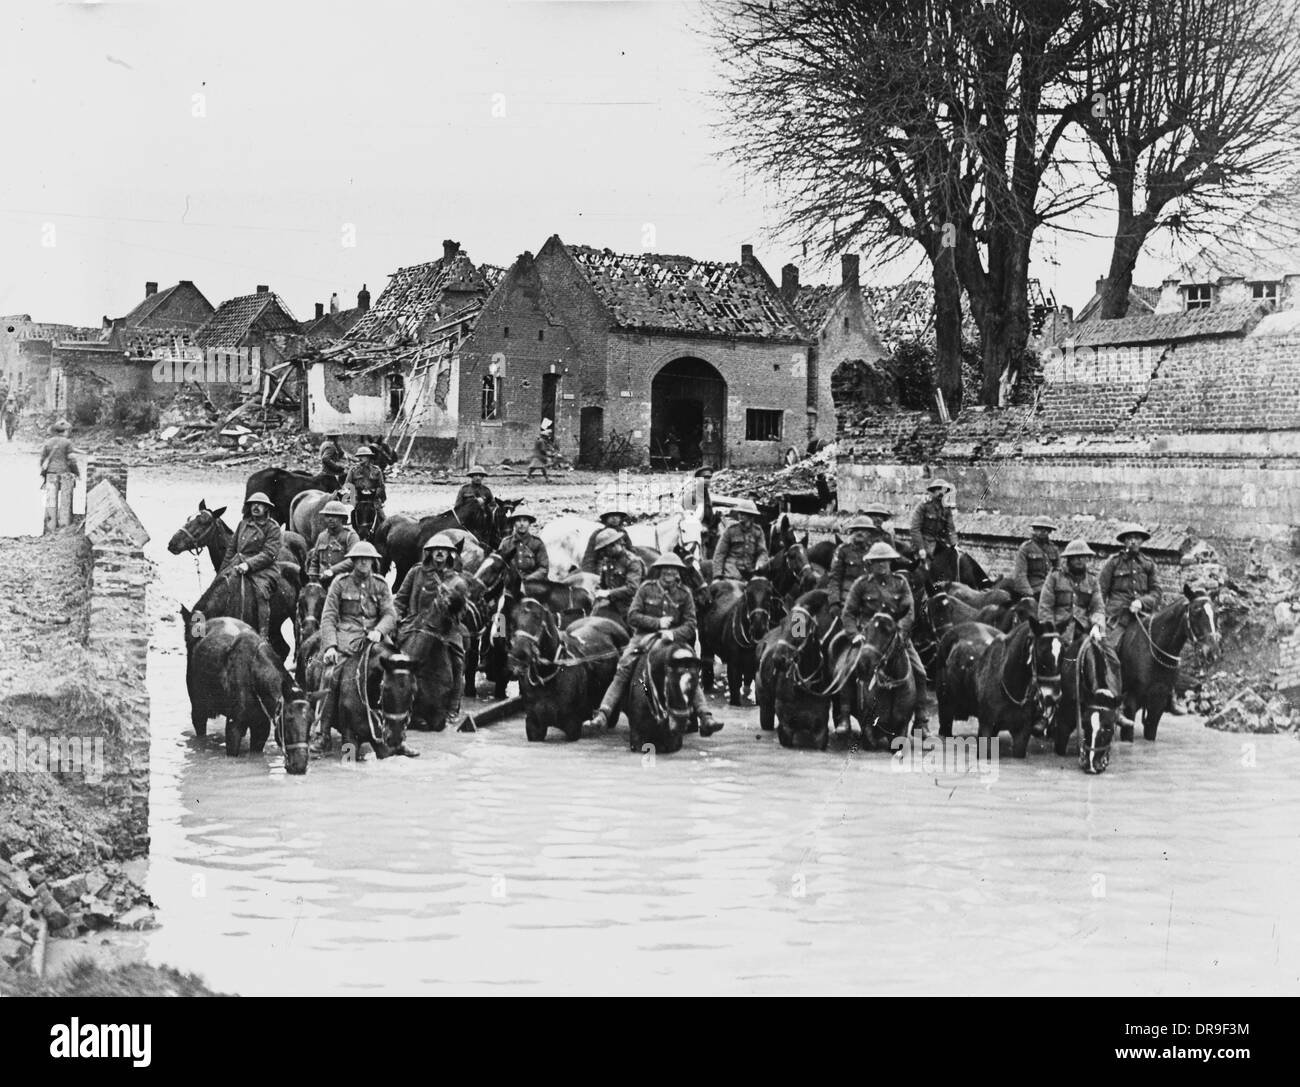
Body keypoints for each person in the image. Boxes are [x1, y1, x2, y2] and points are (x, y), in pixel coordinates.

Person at [582, 552, 722, 736]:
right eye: (665, 569)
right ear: (660, 571)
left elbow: (690, 624)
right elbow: (633, 616)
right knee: (624, 667)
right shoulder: (646, 589)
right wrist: (657, 623)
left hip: (674, 641)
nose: (669, 573)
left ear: (678, 572)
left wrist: (672, 633)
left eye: (673, 569)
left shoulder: (684, 594)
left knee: (688, 668)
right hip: (644, 637)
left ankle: (705, 716)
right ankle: (603, 714)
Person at [319, 541, 416, 756]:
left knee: (401, 676)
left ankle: (399, 738)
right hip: (348, 639)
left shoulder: (381, 584)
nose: (363, 562)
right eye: (359, 559)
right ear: (353, 561)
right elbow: (329, 616)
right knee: (331, 674)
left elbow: (390, 614)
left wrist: (380, 630)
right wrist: (330, 646)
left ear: (373, 561)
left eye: (367, 559)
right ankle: (322, 732)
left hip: (376, 640)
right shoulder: (340, 583)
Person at [841, 541, 928, 735]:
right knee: (848, 667)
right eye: (877, 562)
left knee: (920, 671)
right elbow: (848, 613)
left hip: (895, 636)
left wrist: (900, 632)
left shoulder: (900, 583)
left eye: (885, 561)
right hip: (869, 638)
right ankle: (845, 716)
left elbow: (909, 612)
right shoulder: (861, 585)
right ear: (870, 564)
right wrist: (854, 635)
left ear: (891, 562)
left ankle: (921, 719)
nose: (882, 565)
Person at [395, 533, 466, 728]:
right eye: (436, 550)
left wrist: (451, 608)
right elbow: (400, 599)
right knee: (393, 654)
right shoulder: (416, 572)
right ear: (430, 553)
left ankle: (453, 707)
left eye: (444, 550)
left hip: (446, 629)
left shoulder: (457, 580)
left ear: (450, 554)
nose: (440, 553)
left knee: (458, 661)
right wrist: (396, 617)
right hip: (415, 624)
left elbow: (462, 611)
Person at [1038, 538, 1123, 697]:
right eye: (1076, 557)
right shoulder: (1055, 577)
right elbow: (1045, 606)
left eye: (1083, 557)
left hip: (1083, 630)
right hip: (1058, 630)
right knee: (1043, 662)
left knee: (1112, 660)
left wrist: (1097, 626)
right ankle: (1040, 705)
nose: (1079, 560)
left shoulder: (1092, 580)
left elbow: (1098, 606)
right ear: (1068, 559)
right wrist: (1050, 631)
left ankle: (1111, 704)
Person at [1099, 522, 1171, 707]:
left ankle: (1167, 697)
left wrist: (1142, 602)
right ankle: (1108, 693)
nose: (1133, 542)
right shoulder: (1113, 563)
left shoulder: (1148, 564)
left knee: (1164, 651)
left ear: (1141, 541)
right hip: (1118, 618)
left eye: (1137, 538)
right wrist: (1103, 616)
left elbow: (1157, 592)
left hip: (1143, 618)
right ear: (1124, 541)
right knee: (1108, 650)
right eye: (1129, 538)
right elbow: (1100, 593)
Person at [216, 491, 283, 638]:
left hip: (263, 569)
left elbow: (269, 554)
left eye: (260, 505)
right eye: (253, 504)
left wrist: (248, 565)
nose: (256, 507)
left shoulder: (273, 527)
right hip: (238, 565)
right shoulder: (243, 524)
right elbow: (231, 550)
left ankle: (263, 635)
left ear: (266, 508)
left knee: (260, 593)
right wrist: (221, 572)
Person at [591, 527, 645, 627]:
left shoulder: (632, 561)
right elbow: (602, 584)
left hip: (629, 608)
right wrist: (597, 591)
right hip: (610, 607)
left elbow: (632, 588)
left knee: (635, 637)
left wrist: (608, 593)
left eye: (606, 549)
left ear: (616, 544)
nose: (605, 553)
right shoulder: (607, 561)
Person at [825, 514, 875, 609]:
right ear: (852, 532)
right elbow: (834, 578)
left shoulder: (875, 552)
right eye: (856, 530)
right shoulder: (843, 550)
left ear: (869, 533)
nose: (859, 532)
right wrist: (834, 603)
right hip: (847, 600)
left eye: (863, 530)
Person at [712, 499, 769, 581]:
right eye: (740, 513)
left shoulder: (757, 532)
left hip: (749, 575)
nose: (740, 516)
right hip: (730, 574)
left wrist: (759, 564)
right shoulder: (731, 530)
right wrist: (717, 576)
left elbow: (763, 552)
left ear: (751, 516)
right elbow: (720, 554)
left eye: (744, 514)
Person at [39, 418, 80, 533]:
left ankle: (50, 527)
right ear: (65, 431)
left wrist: (44, 474)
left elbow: (42, 460)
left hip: (50, 474)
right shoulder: (67, 443)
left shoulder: (48, 443)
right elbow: (72, 460)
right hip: (65, 474)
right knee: (65, 501)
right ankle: (63, 526)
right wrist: (76, 473)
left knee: (50, 502)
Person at [497, 508, 550, 595]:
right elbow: (498, 566)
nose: (522, 524)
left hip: (533, 586)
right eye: (518, 521)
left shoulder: (537, 543)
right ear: (514, 523)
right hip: (509, 587)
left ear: (529, 523)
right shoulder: (506, 543)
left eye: (525, 521)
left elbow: (543, 569)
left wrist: (527, 579)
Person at [306, 500, 359, 584]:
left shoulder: (351, 536)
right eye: (327, 516)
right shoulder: (322, 536)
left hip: (344, 581)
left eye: (335, 516)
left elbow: (354, 560)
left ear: (342, 518)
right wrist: (312, 576)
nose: (330, 519)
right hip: (323, 581)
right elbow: (315, 561)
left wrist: (332, 570)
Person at [1011, 519, 1061, 601]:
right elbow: (1020, 574)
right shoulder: (1026, 548)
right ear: (1034, 529)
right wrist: (1029, 594)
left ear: (1050, 531)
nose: (1043, 531)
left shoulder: (1054, 549)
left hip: (1050, 589)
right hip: (1033, 589)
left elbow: (1058, 572)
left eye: (1047, 529)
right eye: (1040, 528)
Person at [909, 478, 957, 562]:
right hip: (923, 543)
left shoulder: (946, 509)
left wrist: (955, 545)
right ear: (933, 491)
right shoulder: (923, 506)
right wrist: (921, 548)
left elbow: (951, 530)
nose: (941, 493)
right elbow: (914, 529)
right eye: (938, 489)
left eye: (944, 490)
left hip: (938, 543)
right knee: (925, 569)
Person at [345, 445, 387, 533]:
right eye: (359, 456)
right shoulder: (353, 470)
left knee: (383, 519)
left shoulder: (376, 470)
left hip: (373, 499)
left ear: (368, 457)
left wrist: (375, 493)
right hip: (359, 499)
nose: (360, 458)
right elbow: (348, 486)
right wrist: (354, 496)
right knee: (352, 517)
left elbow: (381, 486)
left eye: (363, 456)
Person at [580, 509, 635, 574]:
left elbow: (631, 551)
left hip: (620, 568)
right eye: (611, 515)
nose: (614, 518)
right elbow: (589, 556)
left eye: (617, 516)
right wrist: (589, 575)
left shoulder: (623, 533)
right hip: (602, 568)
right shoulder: (598, 534)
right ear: (606, 518)